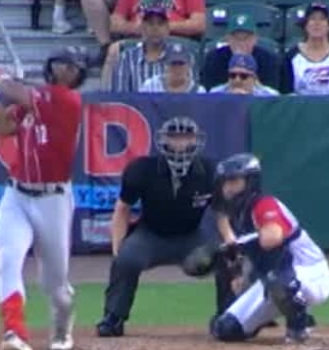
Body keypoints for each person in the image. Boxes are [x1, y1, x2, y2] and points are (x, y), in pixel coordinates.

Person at [0, 50, 87, 350]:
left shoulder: (67, 101)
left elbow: (12, 90)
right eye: (59, 63)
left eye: (69, 66)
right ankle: (15, 331)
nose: (62, 68)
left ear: (76, 75)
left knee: (55, 282)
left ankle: (62, 323)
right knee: (9, 258)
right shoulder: (32, 102)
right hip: (17, 195)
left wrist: (1, 77)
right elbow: (2, 127)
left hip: (54, 199)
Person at [96, 117, 235, 337]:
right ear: (164, 140)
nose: (180, 143)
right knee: (125, 259)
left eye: (186, 137)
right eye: (175, 137)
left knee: (227, 258)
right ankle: (113, 316)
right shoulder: (142, 169)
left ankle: (229, 316)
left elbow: (220, 211)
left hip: (192, 237)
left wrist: (229, 240)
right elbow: (122, 208)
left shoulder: (210, 171)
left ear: (196, 140)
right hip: (151, 235)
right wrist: (117, 248)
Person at [208, 154, 329, 345]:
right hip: (274, 280)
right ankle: (283, 311)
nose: (228, 188)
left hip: (311, 273)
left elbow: (271, 238)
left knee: (278, 280)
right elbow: (252, 252)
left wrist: (238, 244)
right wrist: (240, 274)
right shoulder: (239, 214)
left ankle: (298, 327)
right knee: (225, 329)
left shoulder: (265, 204)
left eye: (234, 181)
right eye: (225, 182)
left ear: (250, 182)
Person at [280, 2, 329, 95]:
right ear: (305, 25)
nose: (317, 23)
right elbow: (285, 92)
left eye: (322, 19)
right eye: (312, 19)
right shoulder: (291, 56)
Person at [138, 40, 204, 91]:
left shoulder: (199, 91)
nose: (177, 69)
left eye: (181, 64)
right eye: (173, 63)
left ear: (189, 66)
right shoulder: (150, 87)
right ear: (164, 65)